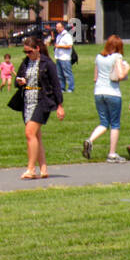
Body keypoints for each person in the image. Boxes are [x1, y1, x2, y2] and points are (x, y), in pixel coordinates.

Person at [15, 35, 65, 179]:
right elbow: (17, 79)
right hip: (28, 100)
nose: (27, 55)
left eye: (29, 51)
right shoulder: (25, 63)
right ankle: (43, 168)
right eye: (25, 52)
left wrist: (59, 105)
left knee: (29, 133)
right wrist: (19, 81)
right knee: (36, 135)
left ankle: (31, 169)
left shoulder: (47, 64)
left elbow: (56, 85)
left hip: (43, 100)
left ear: (37, 49)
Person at [84, 35, 130, 163]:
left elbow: (95, 77)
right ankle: (112, 154)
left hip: (99, 92)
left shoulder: (99, 57)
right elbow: (120, 75)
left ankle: (90, 140)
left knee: (104, 122)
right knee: (115, 124)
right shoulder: (117, 57)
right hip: (113, 93)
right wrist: (127, 69)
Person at [53, 21, 75, 93]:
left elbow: (69, 46)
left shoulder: (67, 36)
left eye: (58, 27)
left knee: (67, 73)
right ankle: (62, 87)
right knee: (59, 74)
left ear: (62, 27)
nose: (56, 28)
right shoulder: (58, 36)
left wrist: (59, 46)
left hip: (65, 58)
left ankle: (70, 88)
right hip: (58, 57)